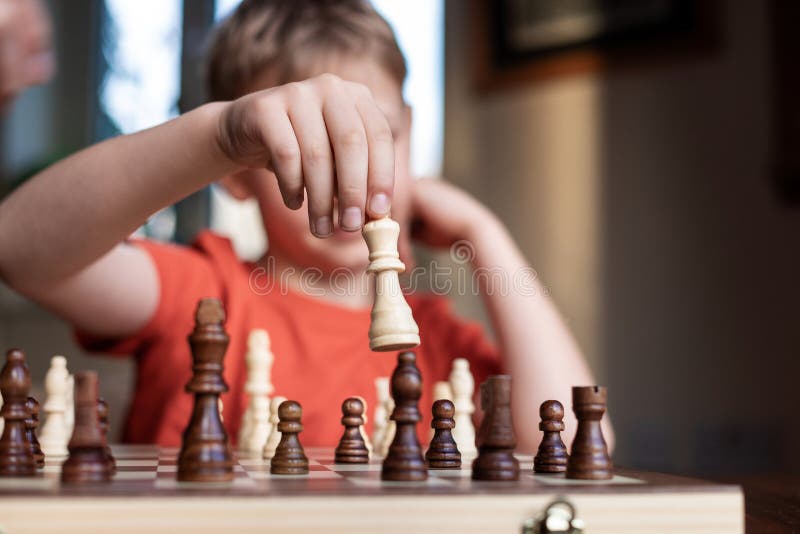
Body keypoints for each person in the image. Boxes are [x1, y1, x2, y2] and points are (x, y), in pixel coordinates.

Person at [0, 0, 609, 450]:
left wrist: (485, 234)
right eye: (303, 145)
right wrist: (218, 135)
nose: (350, 172)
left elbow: (579, 445)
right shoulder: (203, 295)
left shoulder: (437, 339)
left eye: (381, 134)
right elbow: (20, 249)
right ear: (236, 175)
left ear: (413, 133)